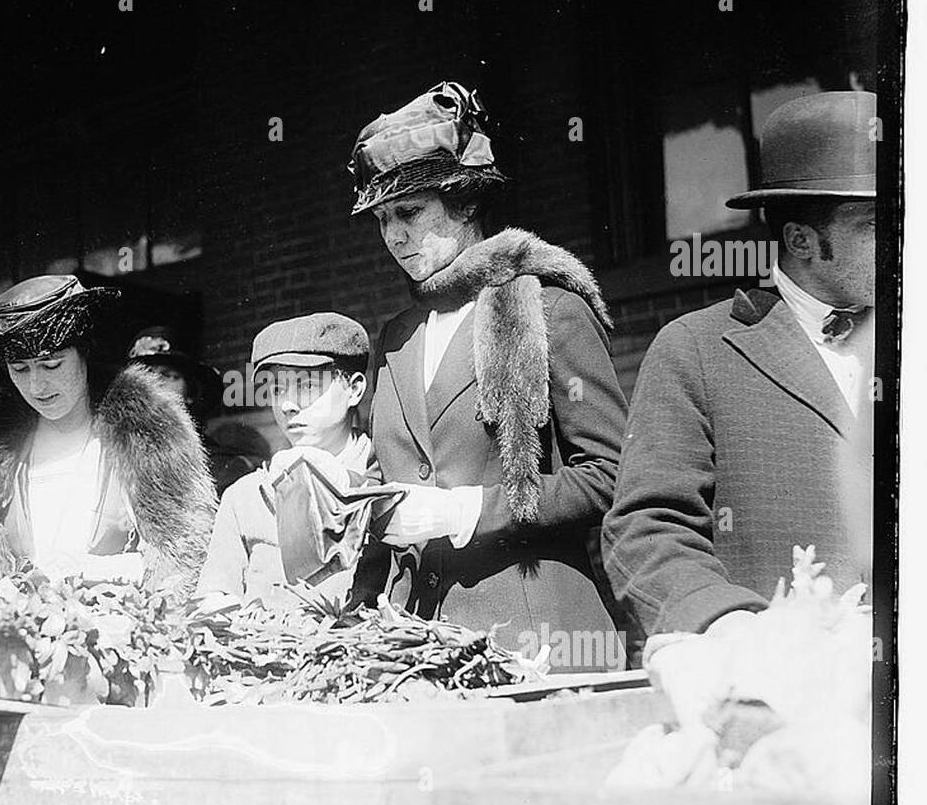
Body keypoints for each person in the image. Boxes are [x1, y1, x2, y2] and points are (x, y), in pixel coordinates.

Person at [345, 81, 629, 671]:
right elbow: (390, 478)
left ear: (467, 202)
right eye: (381, 219)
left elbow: (611, 476)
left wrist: (467, 513)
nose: (393, 236)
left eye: (409, 212)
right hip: (414, 647)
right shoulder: (397, 336)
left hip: (534, 640)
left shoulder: (547, 308)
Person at [602, 91, 877, 640]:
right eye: (875, 224)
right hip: (787, 687)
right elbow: (648, 530)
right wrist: (729, 626)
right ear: (801, 239)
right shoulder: (695, 350)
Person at [0, 274, 216, 591]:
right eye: (20, 369)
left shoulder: (147, 433)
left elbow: (186, 556)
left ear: (85, 353)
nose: (37, 386)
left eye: (52, 365)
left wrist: (100, 571)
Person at [196, 313, 378, 608]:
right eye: (277, 389)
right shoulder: (244, 498)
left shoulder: (388, 483)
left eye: (306, 386)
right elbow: (215, 600)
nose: (286, 405)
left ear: (354, 389)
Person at [125, 324, 260, 495]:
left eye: (167, 375)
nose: (152, 384)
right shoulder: (106, 456)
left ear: (190, 393)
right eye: (143, 375)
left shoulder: (220, 468)